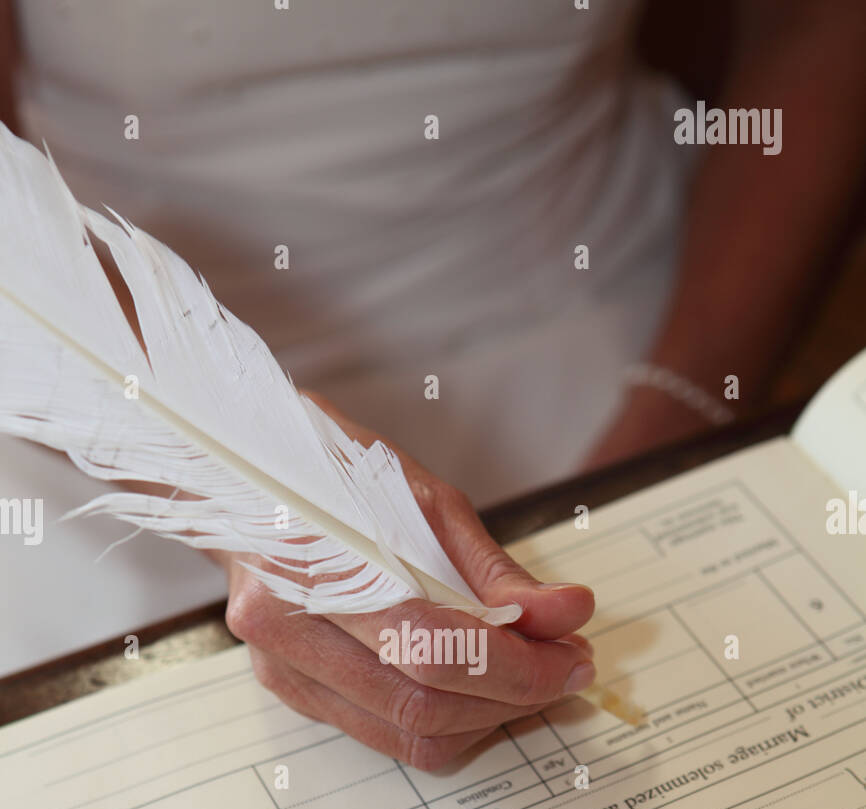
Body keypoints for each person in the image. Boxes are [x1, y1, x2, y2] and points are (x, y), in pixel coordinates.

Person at [2, 0, 865, 766]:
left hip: (608, 303)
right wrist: (238, 497)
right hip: (104, 339)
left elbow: (816, 24)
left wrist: (683, 401)